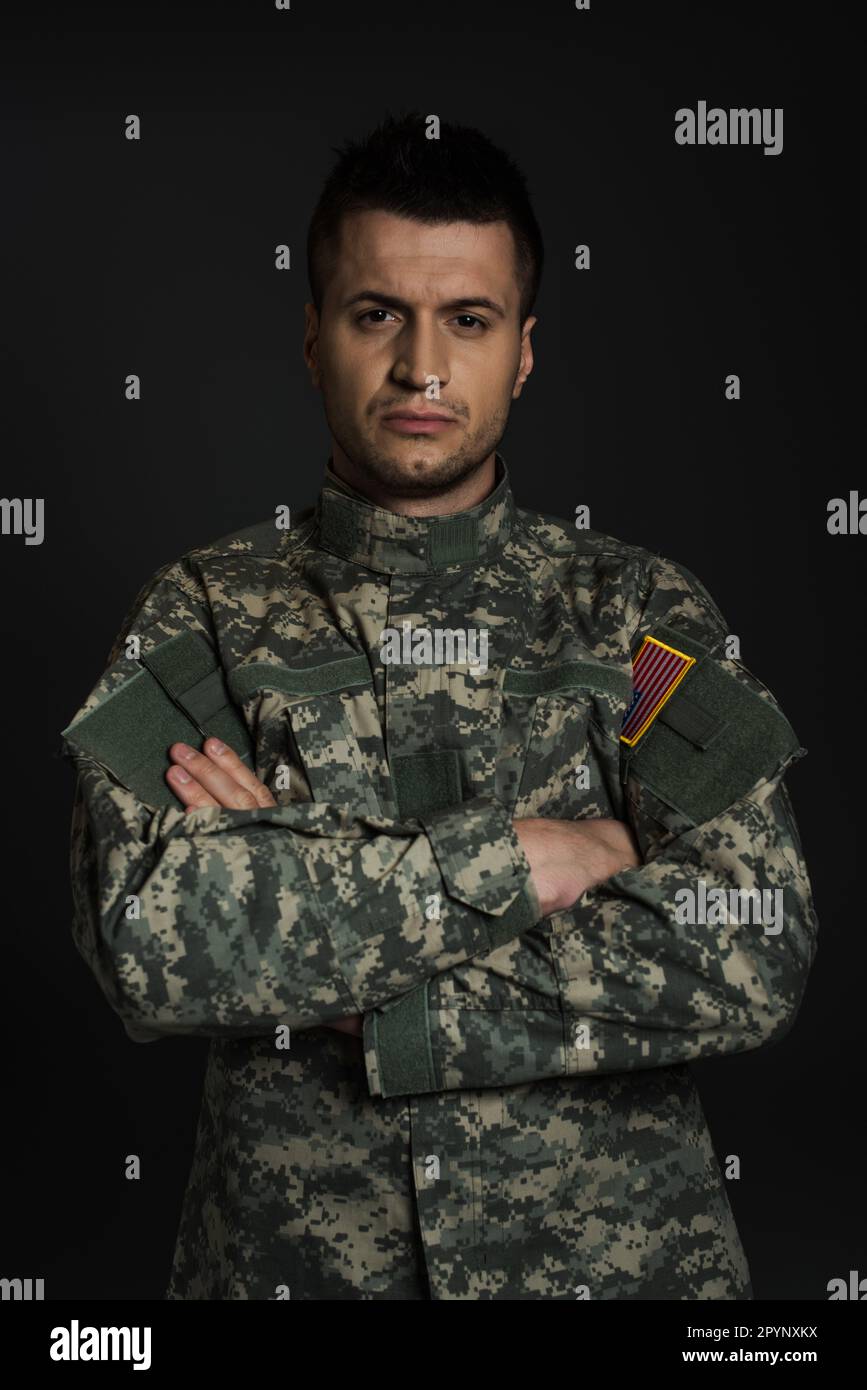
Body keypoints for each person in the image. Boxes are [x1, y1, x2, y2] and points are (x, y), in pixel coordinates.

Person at [60, 111, 818, 1300]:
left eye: (467, 320)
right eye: (378, 316)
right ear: (313, 337)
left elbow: (753, 940)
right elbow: (152, 941)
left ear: (523, 349)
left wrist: (343, 951)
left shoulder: (638, 615)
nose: (422, 366)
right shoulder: (201, 612)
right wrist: (529, 855)